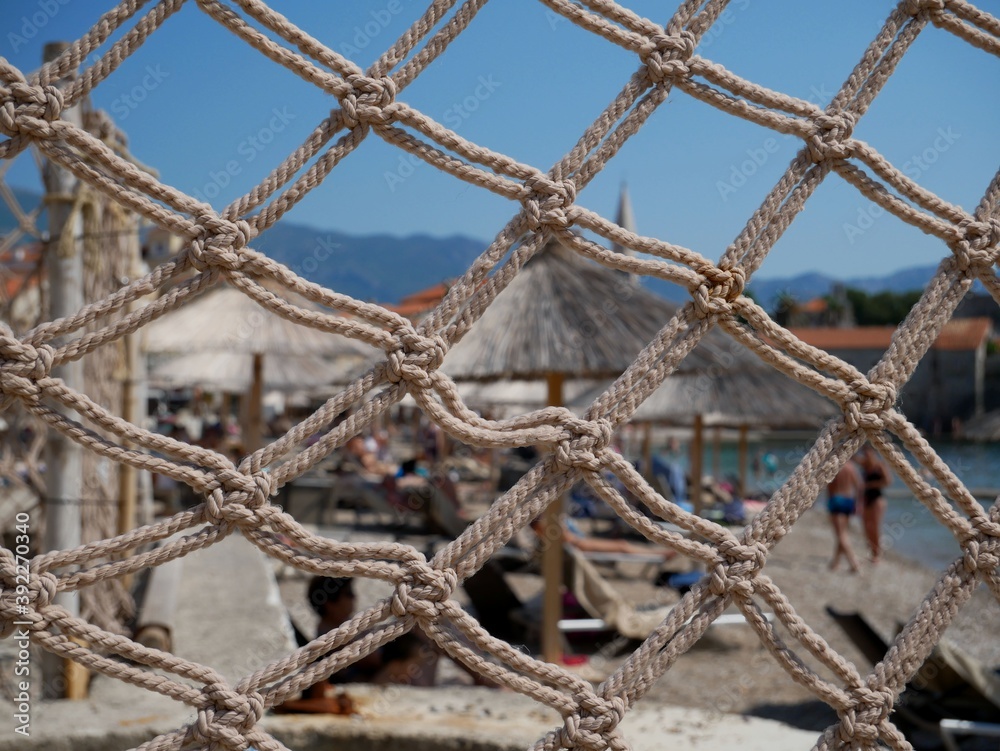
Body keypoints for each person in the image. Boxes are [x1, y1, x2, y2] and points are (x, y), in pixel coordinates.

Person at [856, 444, 892, 563]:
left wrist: (869, 485)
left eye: (868, 453)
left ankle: (877, 553)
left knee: (875, 526)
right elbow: (852, 457)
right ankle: (873, 551)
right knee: (866, 526)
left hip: (877, 499)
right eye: (864, 453)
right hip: (866, 499)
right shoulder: (865, 464)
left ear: (873, 453)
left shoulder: (879, 465)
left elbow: (887, 481)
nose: (866, 455)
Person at [826, 456, 863, 573]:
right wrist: (857, 503)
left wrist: (829, 502)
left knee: (841, 534)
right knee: (843, 533)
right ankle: (835, 563)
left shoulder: (835, 467)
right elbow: (859, 486)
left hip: (837, 499)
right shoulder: (851, 467)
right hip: (849, 500)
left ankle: (854, 563)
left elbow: (829, 487)